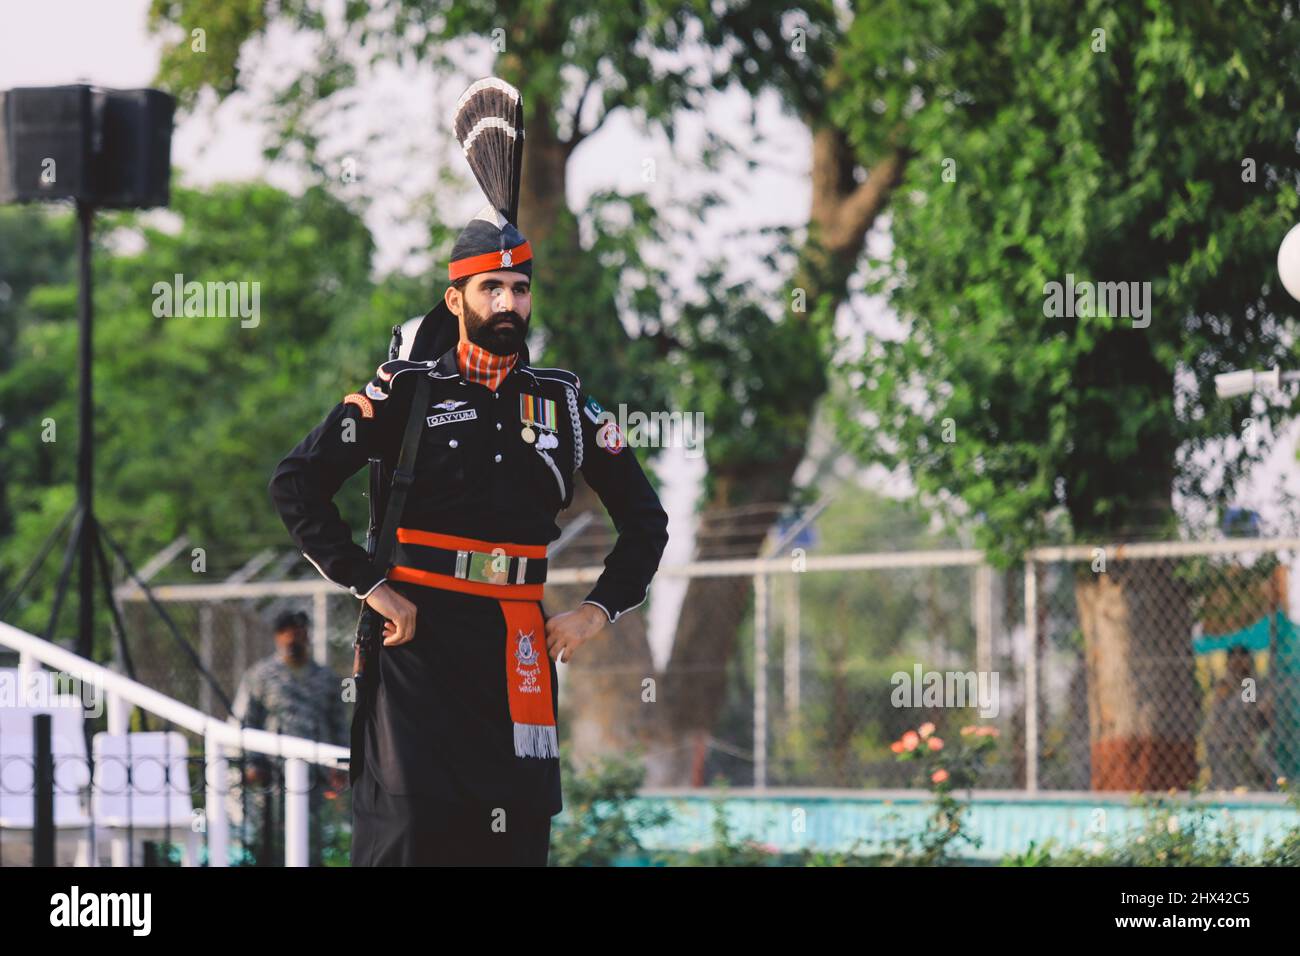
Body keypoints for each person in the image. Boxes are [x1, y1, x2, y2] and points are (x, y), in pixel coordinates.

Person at [267, 77, 670, 866]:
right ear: (457, 299)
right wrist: (366, 583)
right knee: (415, 836)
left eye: (521, 288)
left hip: (519, 643)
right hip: (413, 640)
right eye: (492, 288)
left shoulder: (565, 402)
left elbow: (647, 522)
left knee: (514, 842)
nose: (510, 302)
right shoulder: (405, 388)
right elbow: (297, 483)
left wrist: (598, 611)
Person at [231, 609, 348, 865]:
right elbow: (245, 721)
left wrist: (339, 765)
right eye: (287, 632)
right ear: (277, 636)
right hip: (271, 777)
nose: (293, 638)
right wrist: (251, 763)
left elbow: (338, 723)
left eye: (299, 631)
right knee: (269, 843)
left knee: (311, 842)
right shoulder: (260, 676)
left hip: (314, 777)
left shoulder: (325, 678)